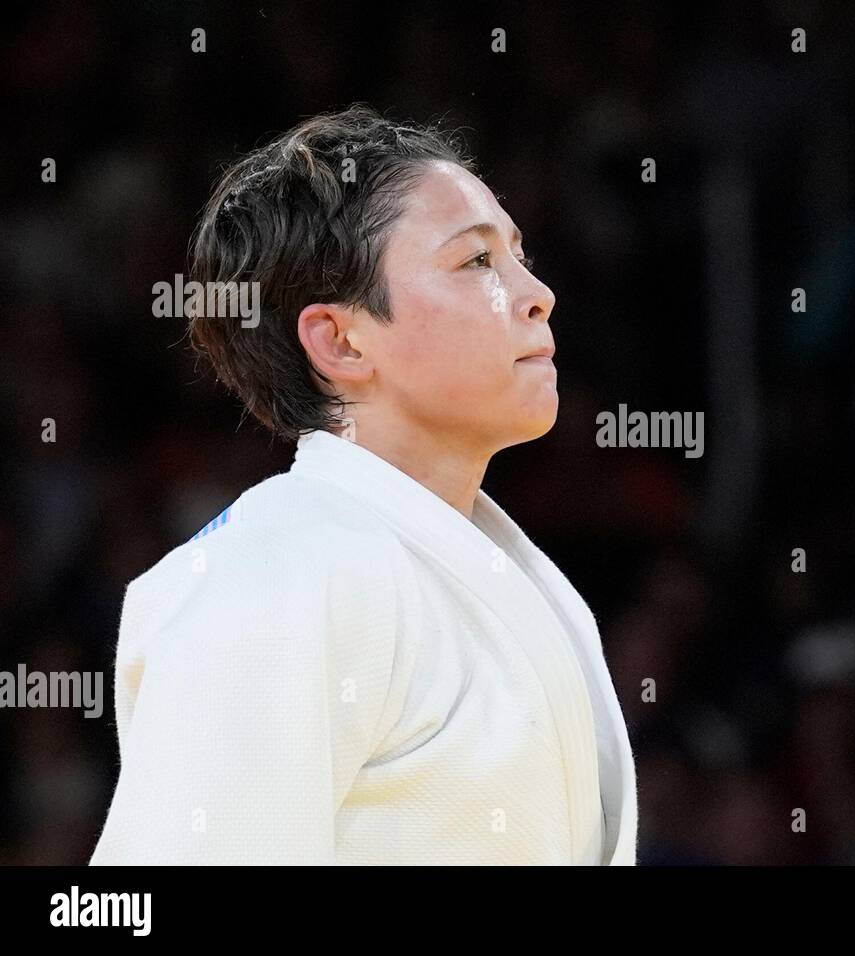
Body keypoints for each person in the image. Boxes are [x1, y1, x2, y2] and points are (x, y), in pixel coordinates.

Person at [89, 104, 637, 865]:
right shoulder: (276, 576)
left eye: (519, 254)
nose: (536, 292)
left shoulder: (507, 571)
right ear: (341, 341)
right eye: (476, 262)